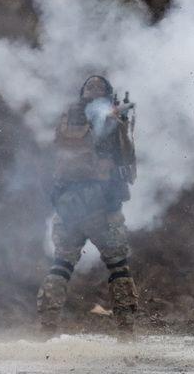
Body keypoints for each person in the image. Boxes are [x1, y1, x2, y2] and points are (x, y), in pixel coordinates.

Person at [37, 75, 138, 338]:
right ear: (107, 94)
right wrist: (122, 123)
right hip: (101, 207)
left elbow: (55, 155)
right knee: (118, 266)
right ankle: (126, 330)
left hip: (67, 206)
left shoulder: (67, 118)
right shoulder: (106, 116)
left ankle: (47, 326)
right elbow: (126, 158)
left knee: (61, 265)